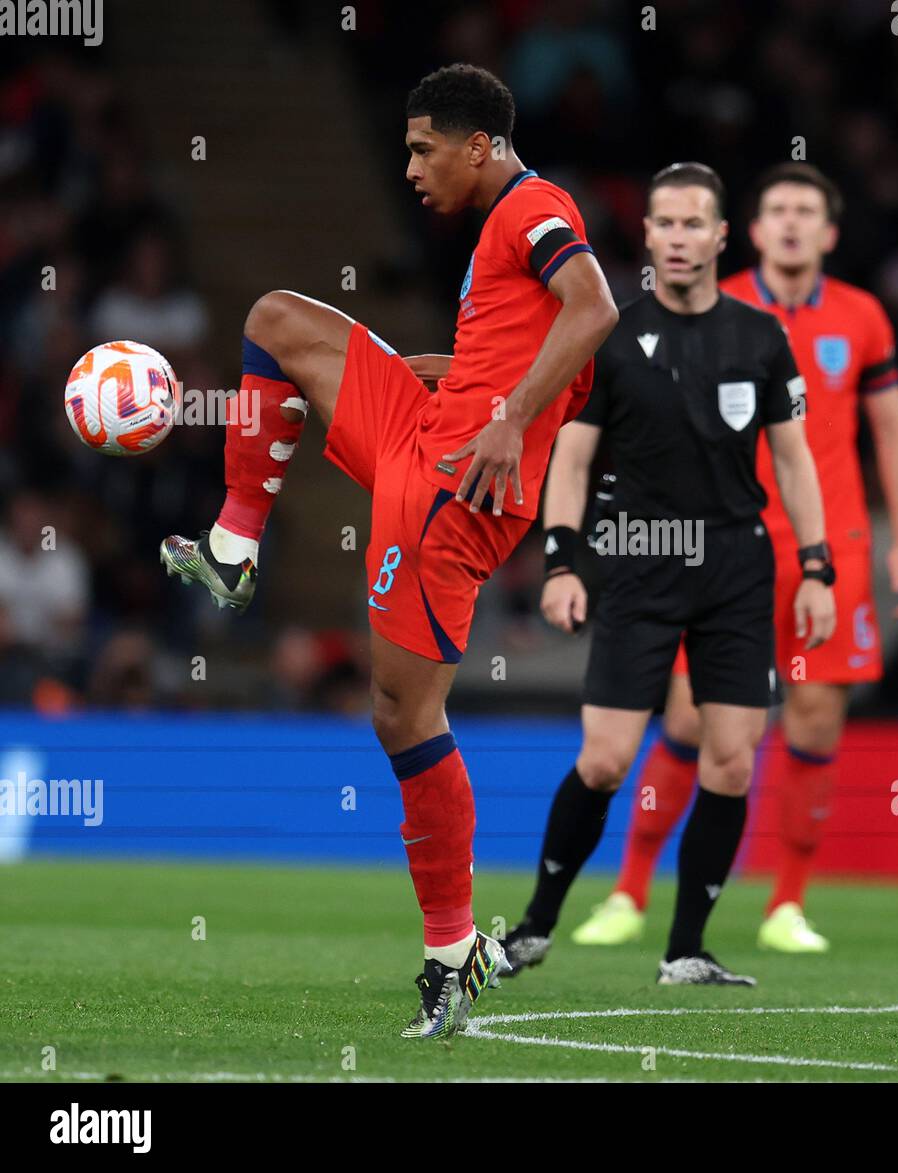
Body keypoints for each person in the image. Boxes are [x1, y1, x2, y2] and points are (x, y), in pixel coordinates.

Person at [159, 65, 618, 1039]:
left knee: (402, 715)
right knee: (277, 319)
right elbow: (540, 341)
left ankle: (450, 955)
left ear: (478, 147)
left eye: (421, 149)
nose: (409, 167)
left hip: (456, 490)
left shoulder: (535, 208)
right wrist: (459, 377)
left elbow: (594, 310)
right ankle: (233, 546)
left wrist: (504, 420)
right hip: (432, 431)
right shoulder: (501, 225)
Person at [573, 163, 898, 953]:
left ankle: (786, 906)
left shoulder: (863, 318)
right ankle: (630, 890)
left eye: (808, 210)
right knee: (689, 718)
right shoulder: (710, 306)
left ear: (829, 233)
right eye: (778, 210)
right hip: (721, 544)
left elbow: (894, 428)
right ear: (754, 230)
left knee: (815, 719)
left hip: (826, 549)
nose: (793, 222)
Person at [501, 162, 835, 986]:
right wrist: (562, 561)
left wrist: (818, 566)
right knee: (607, 758)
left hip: (735, 567)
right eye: (665, 224)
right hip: (640, 562)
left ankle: (686, 948)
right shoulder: (606, 335)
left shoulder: (761, 337)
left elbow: (794, 460)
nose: (680, 238)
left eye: (695, 224)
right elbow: (571, 457)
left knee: (730, 760)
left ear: (723, 237)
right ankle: (536, 925)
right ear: (647, 236)